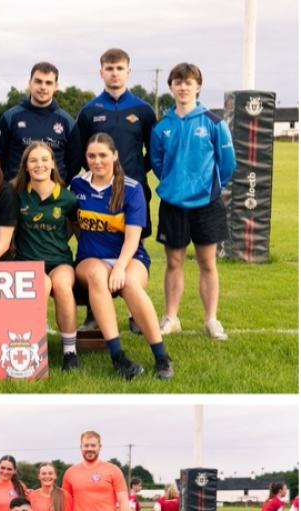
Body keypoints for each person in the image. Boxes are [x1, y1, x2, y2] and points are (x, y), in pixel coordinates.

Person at [73, 134, 173, 380]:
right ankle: (118, 358)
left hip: (128, 257)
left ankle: (161, 357)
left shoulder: (131, 187)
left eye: (103, 155)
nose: (97, 161)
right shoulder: (78, 184)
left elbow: (133, 237)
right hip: (91, 259)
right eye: (91, 156)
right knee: (97, 275)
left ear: (115, 155)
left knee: (129, 282)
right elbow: (72, 223)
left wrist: (119, 267)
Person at [151, 62, 236, 341]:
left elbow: (227, 165)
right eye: (178, 82)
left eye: (189, 82)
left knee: (207, 262)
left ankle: (211, 320)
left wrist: (208, 188)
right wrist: (176, 186)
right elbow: (158, 163)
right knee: (173, 262)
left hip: (207, 205)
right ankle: (171, 318)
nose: (183, 86)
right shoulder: (162, 127)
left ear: (198, 87)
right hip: (174, 205)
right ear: (171, 87)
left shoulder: (213, 122)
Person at [11, 142, 80, 370]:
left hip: (60, 260)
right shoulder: (16, 194)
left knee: (61, 283)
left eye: (44, 160)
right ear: (26, 166)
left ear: (52, 163)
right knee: (42, 283)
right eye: (33, 161)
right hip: (28, 262)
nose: (39, 164)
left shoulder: (68, 198)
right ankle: (32, 350)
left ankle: (70, 352)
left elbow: (74, 228)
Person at [76, 48, 156, 237]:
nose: (114, 73)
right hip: (101, 189)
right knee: (101, 243)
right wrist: (101, 173)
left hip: (135, 186)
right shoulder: (89, 111)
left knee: (136, 246)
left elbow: (154, 153)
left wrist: (134, 171)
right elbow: (80, 152)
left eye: (120, 68)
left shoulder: (144, 110)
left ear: (129, 72)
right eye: (109, 68)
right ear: (101, 72)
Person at [0, 62, 79, 182]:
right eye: (38, 81)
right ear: (30, 83)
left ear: (56, 86)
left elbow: (74, 164)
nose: (43, 87)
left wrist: (60, 182)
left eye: (48, 83)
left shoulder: (67, 122)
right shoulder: (10, 117)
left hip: (53, 194)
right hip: (16, 194)